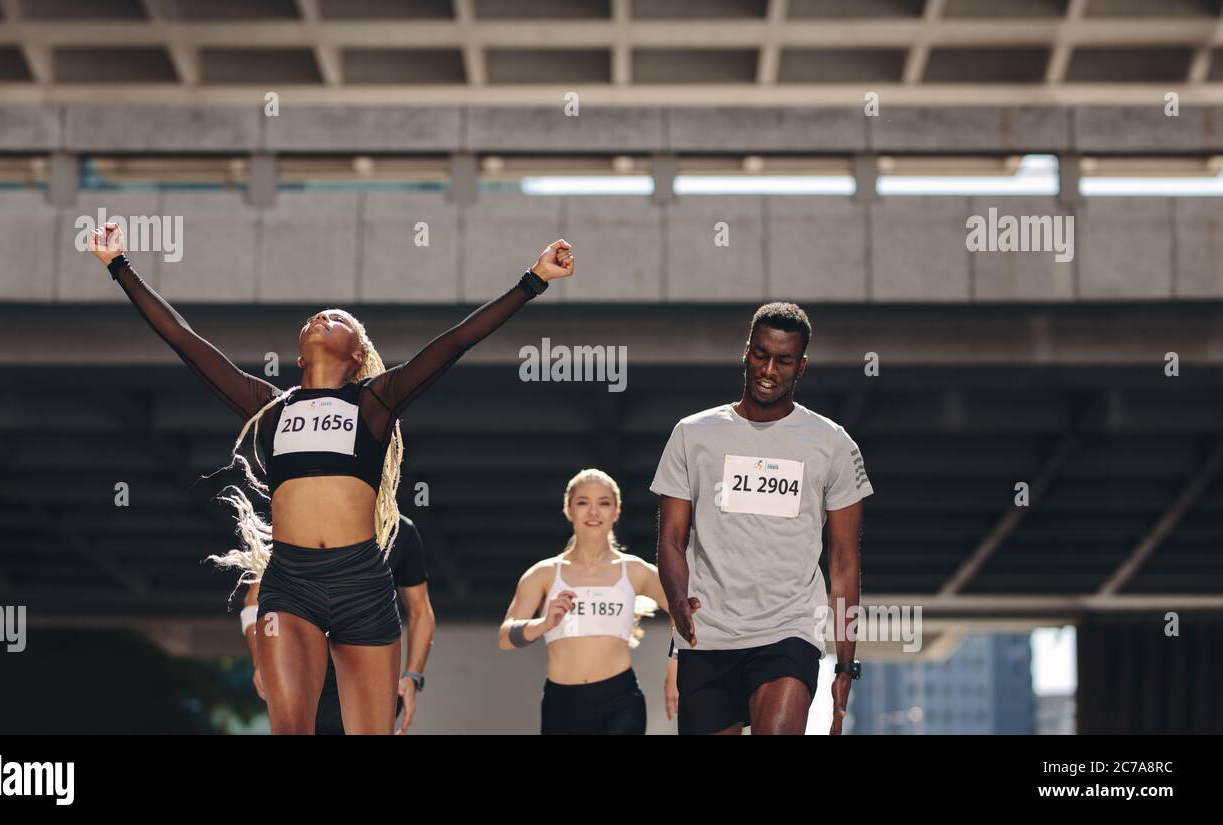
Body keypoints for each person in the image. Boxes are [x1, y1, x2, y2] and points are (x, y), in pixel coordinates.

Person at [89, 221, 573, 733]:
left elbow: (454, 343)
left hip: (362, 585)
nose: (323, 315)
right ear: (300, 355)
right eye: (317, 317)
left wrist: (533, 281)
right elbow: (185, 342)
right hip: (290, 584)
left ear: (357, 355)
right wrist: (119, 267)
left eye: (339, 318)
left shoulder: (375, 402)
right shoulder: (270, 409)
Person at [651, 302, 872, 735]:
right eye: (760, 354)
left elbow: (844, 561)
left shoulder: (832, 445)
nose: (769, 369)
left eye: (784, 360)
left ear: (801, 366)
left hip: (788, 629)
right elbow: (671, 540)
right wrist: (677, 598)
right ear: (746, 352)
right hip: (707, 633)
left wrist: (846, 664)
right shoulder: (692, 434)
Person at [499, 469, 670, 735]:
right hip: (562, 703)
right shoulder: (543, 574)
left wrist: (676, 661)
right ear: (569, 509)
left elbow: (687, 611)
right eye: (583, 503)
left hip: (621, 701)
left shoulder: (636, 571)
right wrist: (544, 623)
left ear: (616, 511)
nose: (593, 512)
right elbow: (505, 638)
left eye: (603, 503)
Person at [241, 514, 434, 734]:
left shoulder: (400, 531)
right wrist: (260, 662)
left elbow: (421, 611)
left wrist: (413, 677)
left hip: (367, 680)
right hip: (305, 677)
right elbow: (252, 603)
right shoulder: (296, 519)